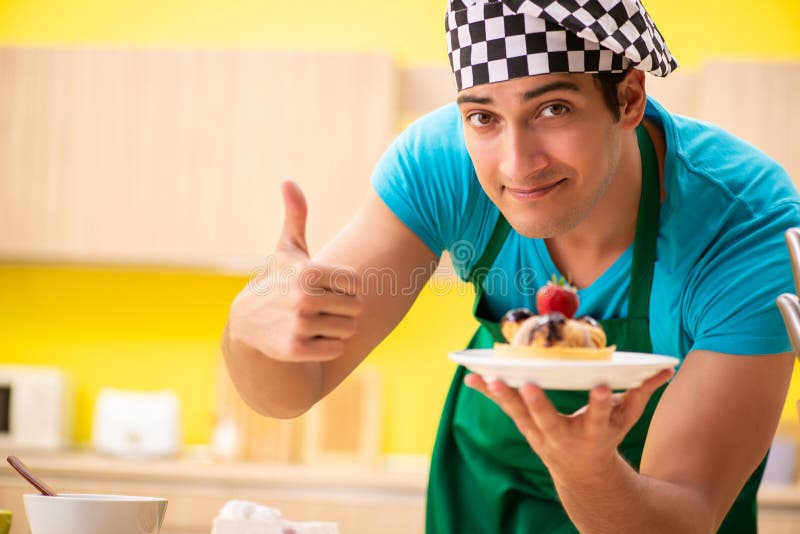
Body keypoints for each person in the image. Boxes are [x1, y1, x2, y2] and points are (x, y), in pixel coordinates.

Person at [222, 0, 800, 532]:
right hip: (482, 500)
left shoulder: (745, 223)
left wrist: (583, 469)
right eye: (483, 117)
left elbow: (686, 513)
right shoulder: (441, 164)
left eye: (553, 109)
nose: (517, 164)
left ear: (627, 99)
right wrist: (248, 330)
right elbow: (295, 390)